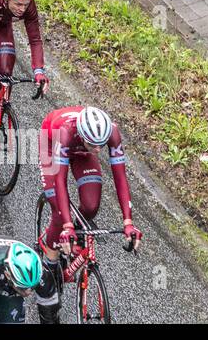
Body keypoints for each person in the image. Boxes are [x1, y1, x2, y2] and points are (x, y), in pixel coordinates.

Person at [38, 105, 142, 272]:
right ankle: (49, 267)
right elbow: (60, 181)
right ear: (82, 135)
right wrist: (67, 225)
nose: (99, 150)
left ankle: (75, 233)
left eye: (102, 144)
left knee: (91, 206)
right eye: (94, 145)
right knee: (58, 211)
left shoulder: (112, 132)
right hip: (52, 144)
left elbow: (120, 178)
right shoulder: (65, 133)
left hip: (82, 151)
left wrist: (128, 222)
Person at [0, 240, 59, 324]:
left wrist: (22, 286)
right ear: (8, 275)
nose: (28, 292)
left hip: (7, 281)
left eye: (32, 287)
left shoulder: (44, 276)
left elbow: (50, 319)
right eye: (22, 287)